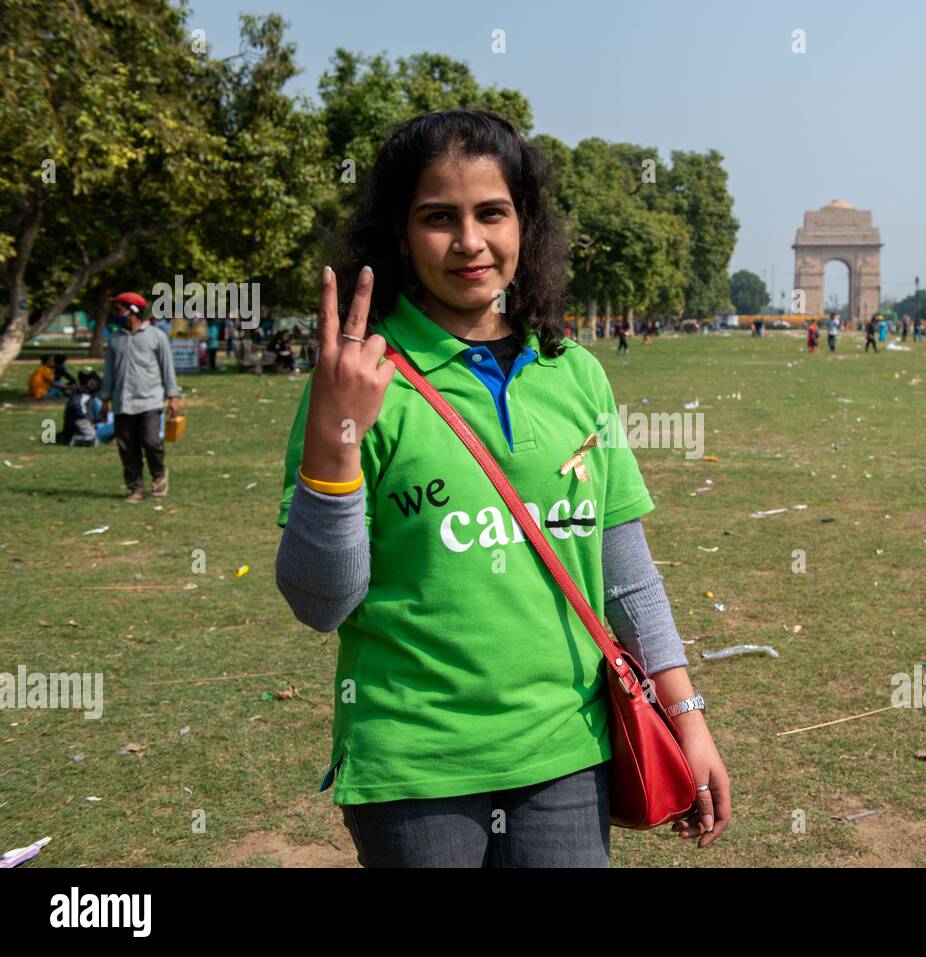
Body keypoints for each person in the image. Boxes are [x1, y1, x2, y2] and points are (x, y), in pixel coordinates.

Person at [273, 110, 730, 867]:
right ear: (399, 232)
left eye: (492, 212)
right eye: (437, 218)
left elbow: (628, 575)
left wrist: (688, 717)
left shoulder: (575, 371)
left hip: (565, 755)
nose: (470, 242)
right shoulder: (359, 380)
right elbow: (322, 604)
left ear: (527, 224)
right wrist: (334, 441)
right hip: (415, 768)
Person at [100, 292, 181, 502]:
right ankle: (136, 488)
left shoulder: (156, 336)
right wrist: (104, 400)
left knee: (151, 442)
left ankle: (159, 474)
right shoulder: (115, 338)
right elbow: (109, 371)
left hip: (150, 400)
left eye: (118, 309)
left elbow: (167, 369)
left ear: (133, 310)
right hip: (122, 402)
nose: (115, 313)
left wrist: (173, 397)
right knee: (127, 447)